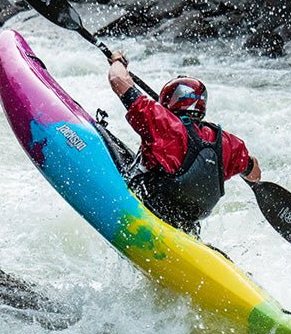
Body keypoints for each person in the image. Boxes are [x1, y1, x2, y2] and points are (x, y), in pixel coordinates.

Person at [107, 51, 261, 236]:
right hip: (186, 225)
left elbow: (117, 79)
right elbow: (254, 173)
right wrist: (245, 171)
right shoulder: (228, 143)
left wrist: (117, 61)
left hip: (149, 208)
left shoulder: (164, 123)